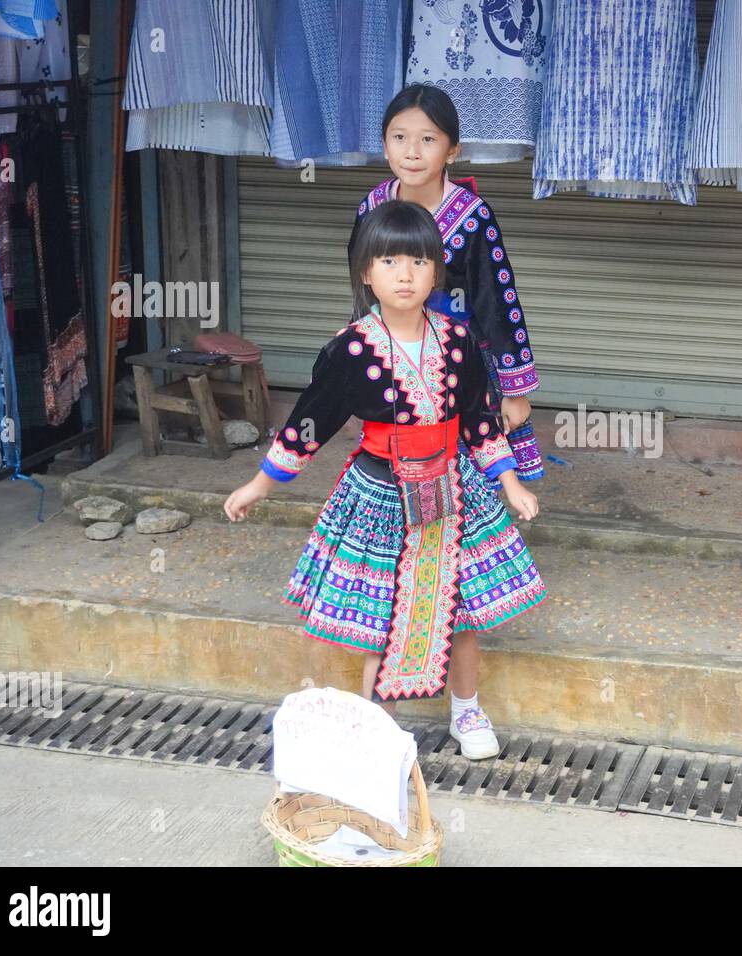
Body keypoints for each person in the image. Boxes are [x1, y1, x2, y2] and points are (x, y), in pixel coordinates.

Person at [224, 200, 547, 759]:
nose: (405, 274)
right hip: (382, 493)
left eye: (419, 261)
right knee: (385, 613)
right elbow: (310, 421)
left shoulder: (457, 339)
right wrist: (260, 484)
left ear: (436, 272)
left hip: (457, 489)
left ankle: (467, 712)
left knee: (464, 610)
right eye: (390, 261)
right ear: (365, 272)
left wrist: (509, 479)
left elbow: (479, 416)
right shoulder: (350, 348)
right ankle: (380, 727)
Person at [349, 83, 543, 481]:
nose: (412, 152)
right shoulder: (371, 210)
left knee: (462, 476)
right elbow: (363, 288)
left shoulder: (471, 216)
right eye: (399, 138)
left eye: (428, 139)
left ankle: (461, 542)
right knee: (399, 471)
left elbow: (498, 301)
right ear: (384, 145)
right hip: (393, 362)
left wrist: (515, 390)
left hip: (460, 365)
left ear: (452, 149)